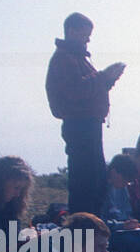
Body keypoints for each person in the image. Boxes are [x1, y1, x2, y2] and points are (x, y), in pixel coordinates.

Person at [45, 12, 124, 214]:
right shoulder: (64, 59)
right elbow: (76, 91)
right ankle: (83, 229)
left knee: (96, 179)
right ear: (71, 31)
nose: (88, 40)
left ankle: (93, 227)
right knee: (85, 182)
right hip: (80, 126)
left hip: (88, 125)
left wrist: (108, 79)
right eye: (84, 34)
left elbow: (88, 89)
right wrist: (104, 77)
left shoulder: (75, 59)